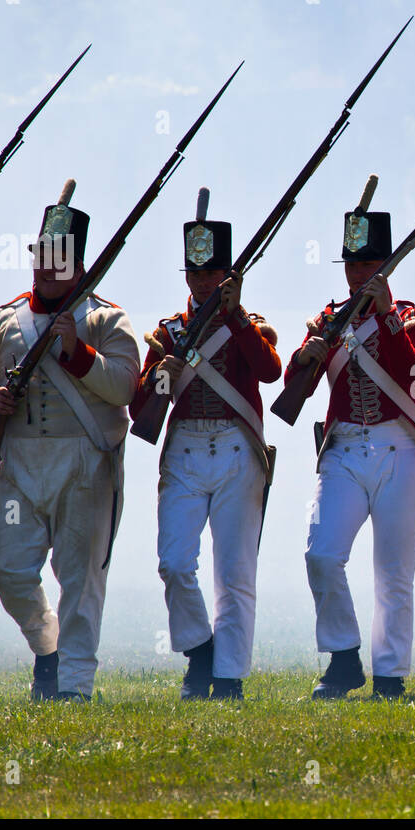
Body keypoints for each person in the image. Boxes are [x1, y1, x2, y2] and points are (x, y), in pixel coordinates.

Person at [0, 180, 140, 702]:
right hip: (19, 460)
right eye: (42, 255)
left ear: (79, 266)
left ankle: (77, 687)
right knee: (3, 564)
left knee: (81, 580)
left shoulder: (106, 319)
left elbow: (126, 385)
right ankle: (49, 650)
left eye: (58, 258)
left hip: (86, 461)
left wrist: (76, 352)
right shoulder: (5, 320)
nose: (46, 266)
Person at [282, 175, 415, 700]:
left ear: (385, 269)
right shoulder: (328, 319)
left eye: (367, 265)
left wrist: (386, 312)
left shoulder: (411, 318)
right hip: (345, 448)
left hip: (401, 449)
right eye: (352, 264)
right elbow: (293, 382)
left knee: (394, 572)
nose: (357, 273)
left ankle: (390, 675)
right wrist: (305, 357)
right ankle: (344, 658)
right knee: (321, 554)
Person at [130, 188, 281, 700]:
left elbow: (269, 370)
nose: (203, 282)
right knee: (174, 562)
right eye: (195, 274)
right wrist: (161, 379)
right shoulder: (169, 333)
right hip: (185, 453)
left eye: (212, 274)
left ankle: (230, 676)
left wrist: (235, 317)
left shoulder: (249, 324)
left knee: (235, 573)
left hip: (238, 450)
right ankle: (199, 650)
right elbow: (140, 409)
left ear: (228, 277)